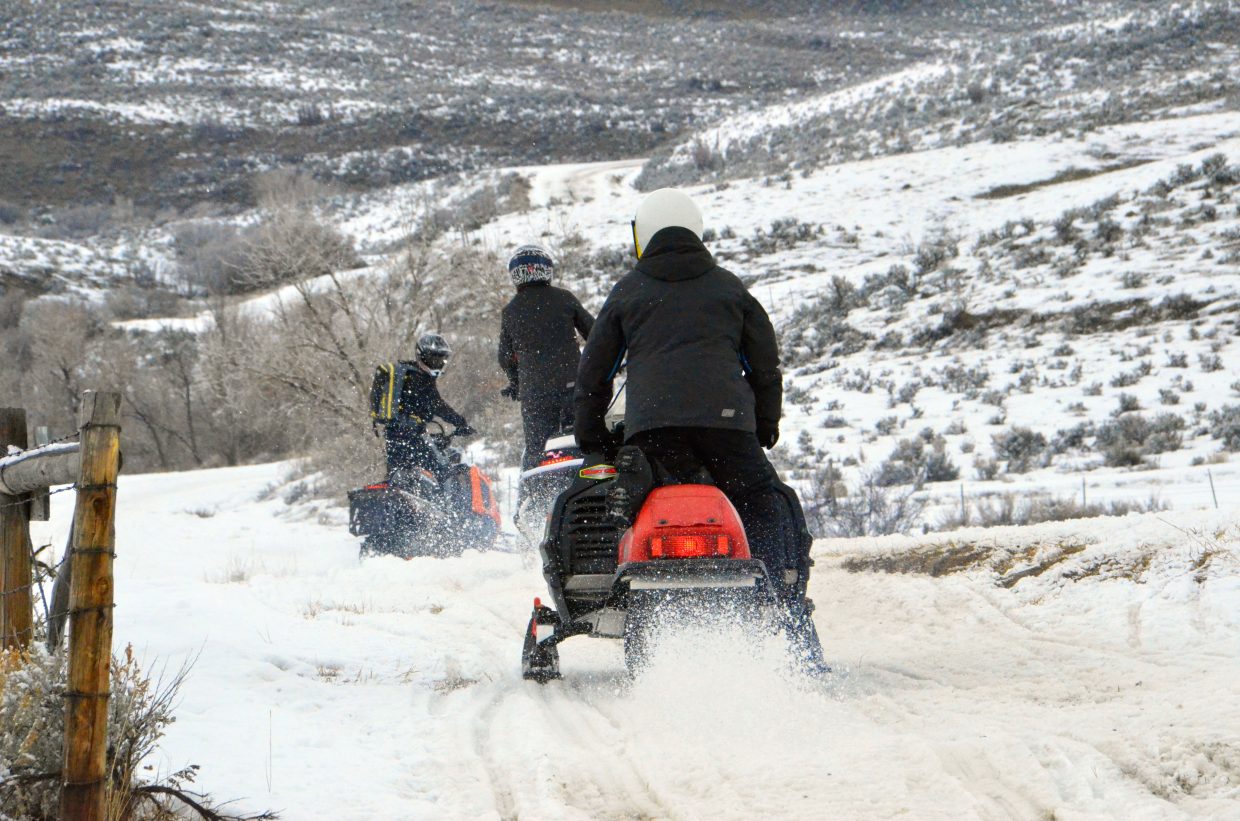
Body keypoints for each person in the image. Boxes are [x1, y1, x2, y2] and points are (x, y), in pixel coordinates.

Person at [574, 188, 813, 620]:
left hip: (652, 432)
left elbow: (595, 373)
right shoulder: (729, 288)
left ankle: (612, 595)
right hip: (728, 432)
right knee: (765, 500)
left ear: (642, 236)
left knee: (629, 502)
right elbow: (764, 364)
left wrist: (592, 436)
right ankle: (780, 604)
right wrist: (764, 422)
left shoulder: (628, 291)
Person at [498, 244, 595, 472]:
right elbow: (595, 334)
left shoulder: (511, 311)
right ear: (546, 270)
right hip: (574, 385)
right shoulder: (564, 298)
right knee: (589, 440)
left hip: (535, 393)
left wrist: (516, 382)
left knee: (537, 451)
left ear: (515, 275)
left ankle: (535, 498)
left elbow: (504, 357)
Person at [373, 332, 475, 487]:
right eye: (434, 359)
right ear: (422, 357)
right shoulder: (421, 379)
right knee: (442, 470)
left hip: (394, 434)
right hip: (412, 435)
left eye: (441, 360)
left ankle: (402, 498)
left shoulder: (407, 373)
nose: (438, 363)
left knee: (399, 472)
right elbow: (438, 405)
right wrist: (460, 422)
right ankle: (445, 509)